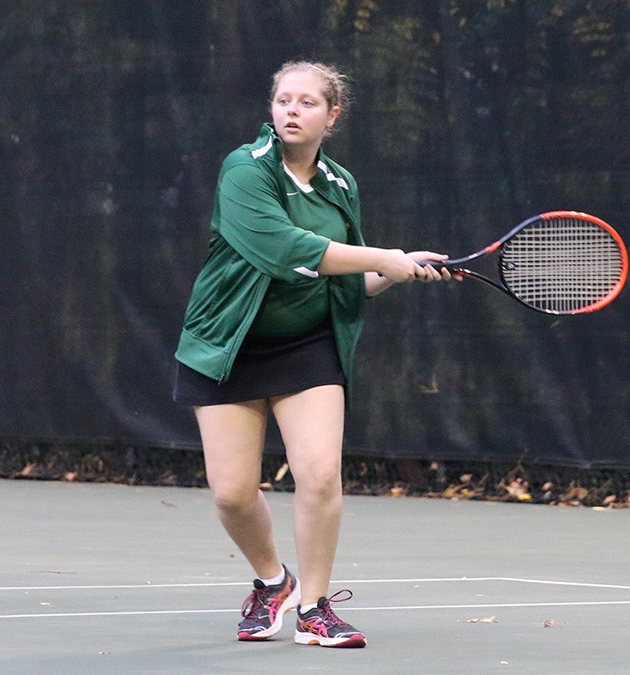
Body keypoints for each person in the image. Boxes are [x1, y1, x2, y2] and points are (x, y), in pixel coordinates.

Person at [172, 61, 457, 649]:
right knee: (231, 493)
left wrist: (397, 272)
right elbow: (285, 250)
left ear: (333, 114)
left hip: (308, 347)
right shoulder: (244, 172)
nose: (291, 111)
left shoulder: (341, 185)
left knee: (321, 475)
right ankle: (273, 581)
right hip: (228, 344)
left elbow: (344, 279)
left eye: (306, 102)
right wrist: (386, 254)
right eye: (282, 100)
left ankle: (315, 608)